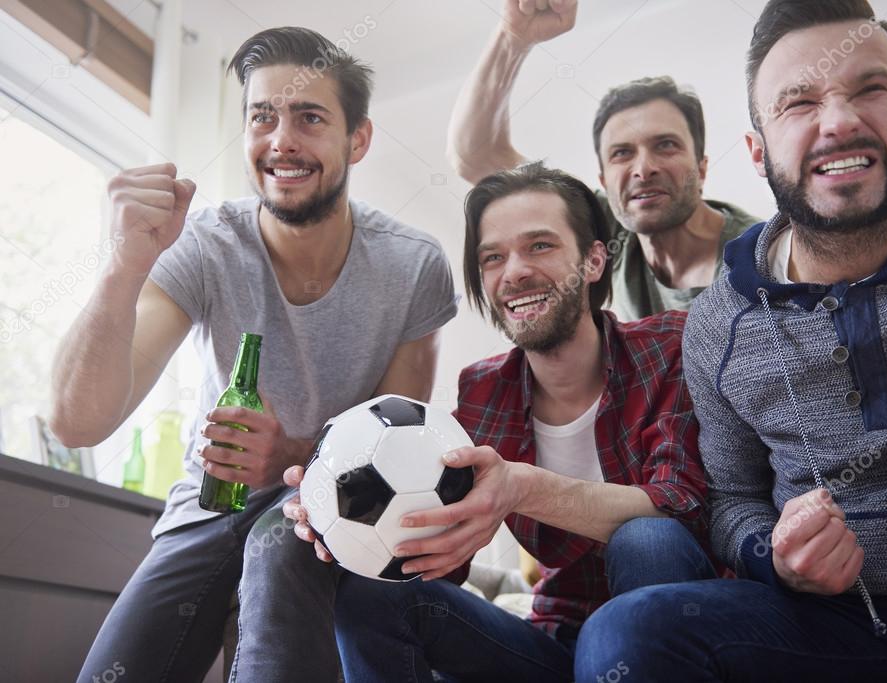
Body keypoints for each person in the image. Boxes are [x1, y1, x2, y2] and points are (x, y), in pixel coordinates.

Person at [574, 1, 887, 680]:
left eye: (870, 89)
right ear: (756, 153)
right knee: (627, 634)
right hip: (839, 626)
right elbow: (730, 501)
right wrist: (772, 555)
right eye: (798, 102)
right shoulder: (717, 322)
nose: (837, 121)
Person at [51, 27, 458, 683]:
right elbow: (76, 422)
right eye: (261, 117)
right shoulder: (206, 244)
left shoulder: (413, 267)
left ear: (357, 138)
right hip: (209, 507)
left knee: (282, 551)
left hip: (331, 518)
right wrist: (124, 267)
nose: (280, 141)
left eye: (308, 117)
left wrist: (295, 455)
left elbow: (400, 452)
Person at [285, 163, 718, 682]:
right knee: (371, 591)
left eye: (540, 246)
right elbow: (447, 556)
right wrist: (341, 518)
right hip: (556, 646)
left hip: (678, 642)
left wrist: (522, 488)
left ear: (594, 260)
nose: (513, 272)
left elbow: (684, 506)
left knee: (647, 540)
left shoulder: (670, 348)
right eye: (493, 257)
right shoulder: (485, 391)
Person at [447, 0, 761, 320]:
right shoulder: (610, 227)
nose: (643, 169)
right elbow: (475, 156)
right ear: (603, 182)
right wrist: (513, 37)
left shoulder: (760, 260)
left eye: (665, 145)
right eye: (622, 153)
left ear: (702, 168)